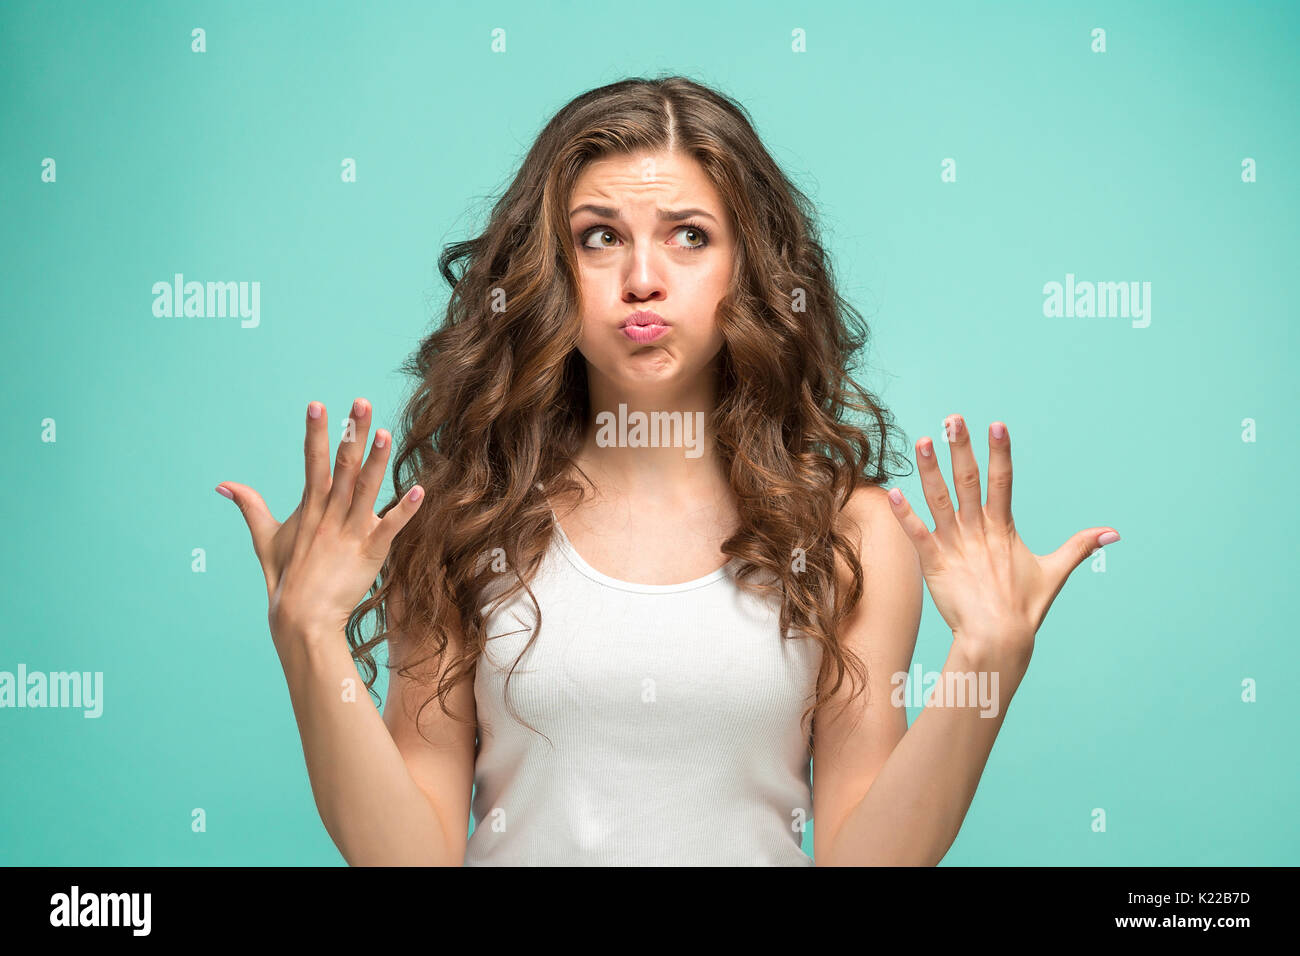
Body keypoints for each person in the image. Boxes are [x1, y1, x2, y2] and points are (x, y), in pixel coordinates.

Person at [215, 75, 1120, 866]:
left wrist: (989, 660)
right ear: (551, 270)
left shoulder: (848, 531)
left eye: (689, 236)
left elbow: (864, 856)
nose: (642, 278)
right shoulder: (467, 517)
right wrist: (309, 637)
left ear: (749, 267)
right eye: (599, 237)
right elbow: (405, 856)